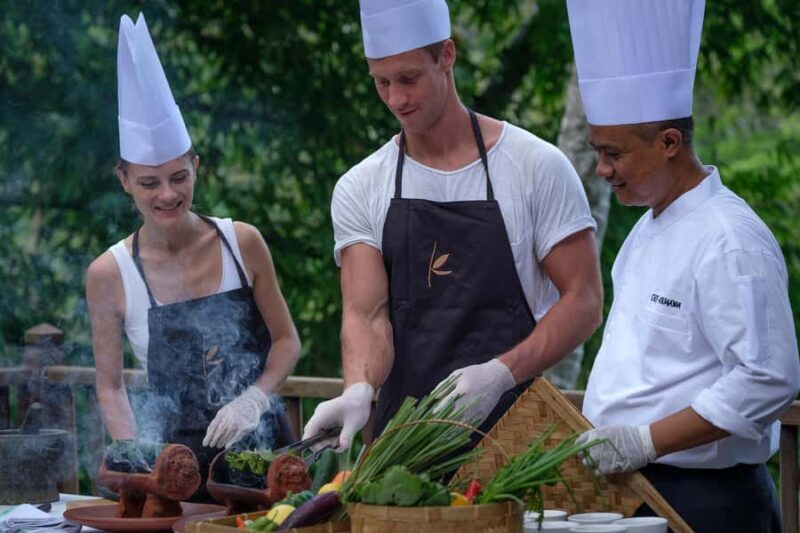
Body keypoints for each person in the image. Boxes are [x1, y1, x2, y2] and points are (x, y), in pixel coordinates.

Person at [302, 0, 603, 452]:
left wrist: (500, 374)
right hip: (403, 449)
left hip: (513, 440)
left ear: (446, 55)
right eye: (382, 82)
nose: (396, 99)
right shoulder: (361, 185)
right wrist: (358, 388)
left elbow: (584, 300)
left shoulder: (536, 166)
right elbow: (367, 314)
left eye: (408, 78)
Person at [565, 1, 800, 531]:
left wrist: (644, 440)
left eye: (614, 154)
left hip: (707, 500)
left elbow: (767, 377)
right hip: (633, 489)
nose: (602, 169)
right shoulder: (647, 228)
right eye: (598, 152)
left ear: (669, 142)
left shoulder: (730, 239)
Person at [86, 13, 300, 500]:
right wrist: (139, 464)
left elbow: (287, 341)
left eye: (179, 177)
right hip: (175, 473)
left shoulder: (242, 243)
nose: (167, 194)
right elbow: (111, 387)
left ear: (196, 166)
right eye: (149, 182)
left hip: (264, 462)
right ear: (124, 181)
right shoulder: (109, 274)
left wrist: (253, 398)